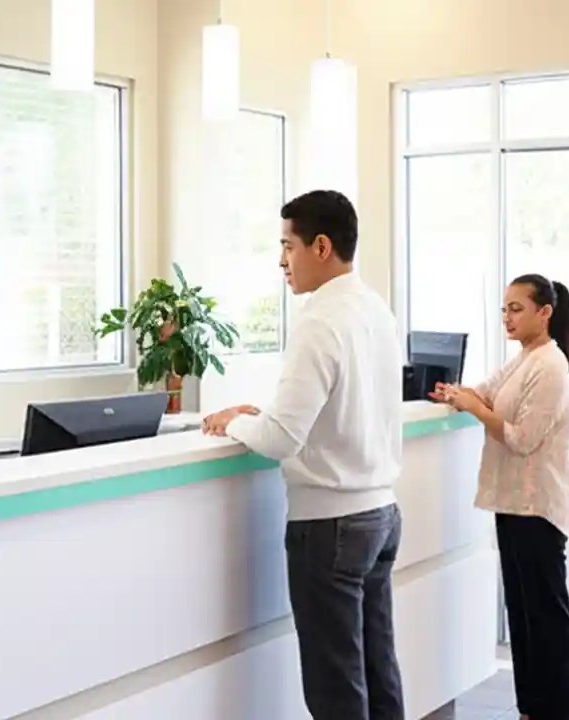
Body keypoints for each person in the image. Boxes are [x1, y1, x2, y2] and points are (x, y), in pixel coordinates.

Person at [202, 190, 405, 719]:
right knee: (379, 671)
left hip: (330, 525)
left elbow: (279, 440)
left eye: (287, 246)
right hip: (380, 514)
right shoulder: (375, 308)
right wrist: (264, 415)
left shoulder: (319, 321)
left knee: (337, 689)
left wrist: (234, 421)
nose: (281, 261)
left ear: (320, 246)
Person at [431, 274, 569, 720]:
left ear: (544, 313)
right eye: (504, 309)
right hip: (512, 503)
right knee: (523, 614)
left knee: (547, 618)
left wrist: (476, 408)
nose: (507, 318)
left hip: (538, 508)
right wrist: (458, 394)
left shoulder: (550, 367)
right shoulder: (522, 360)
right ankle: (531, 708)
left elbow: (521, 439)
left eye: (516, 309)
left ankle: (554, 711)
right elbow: (485, 391)